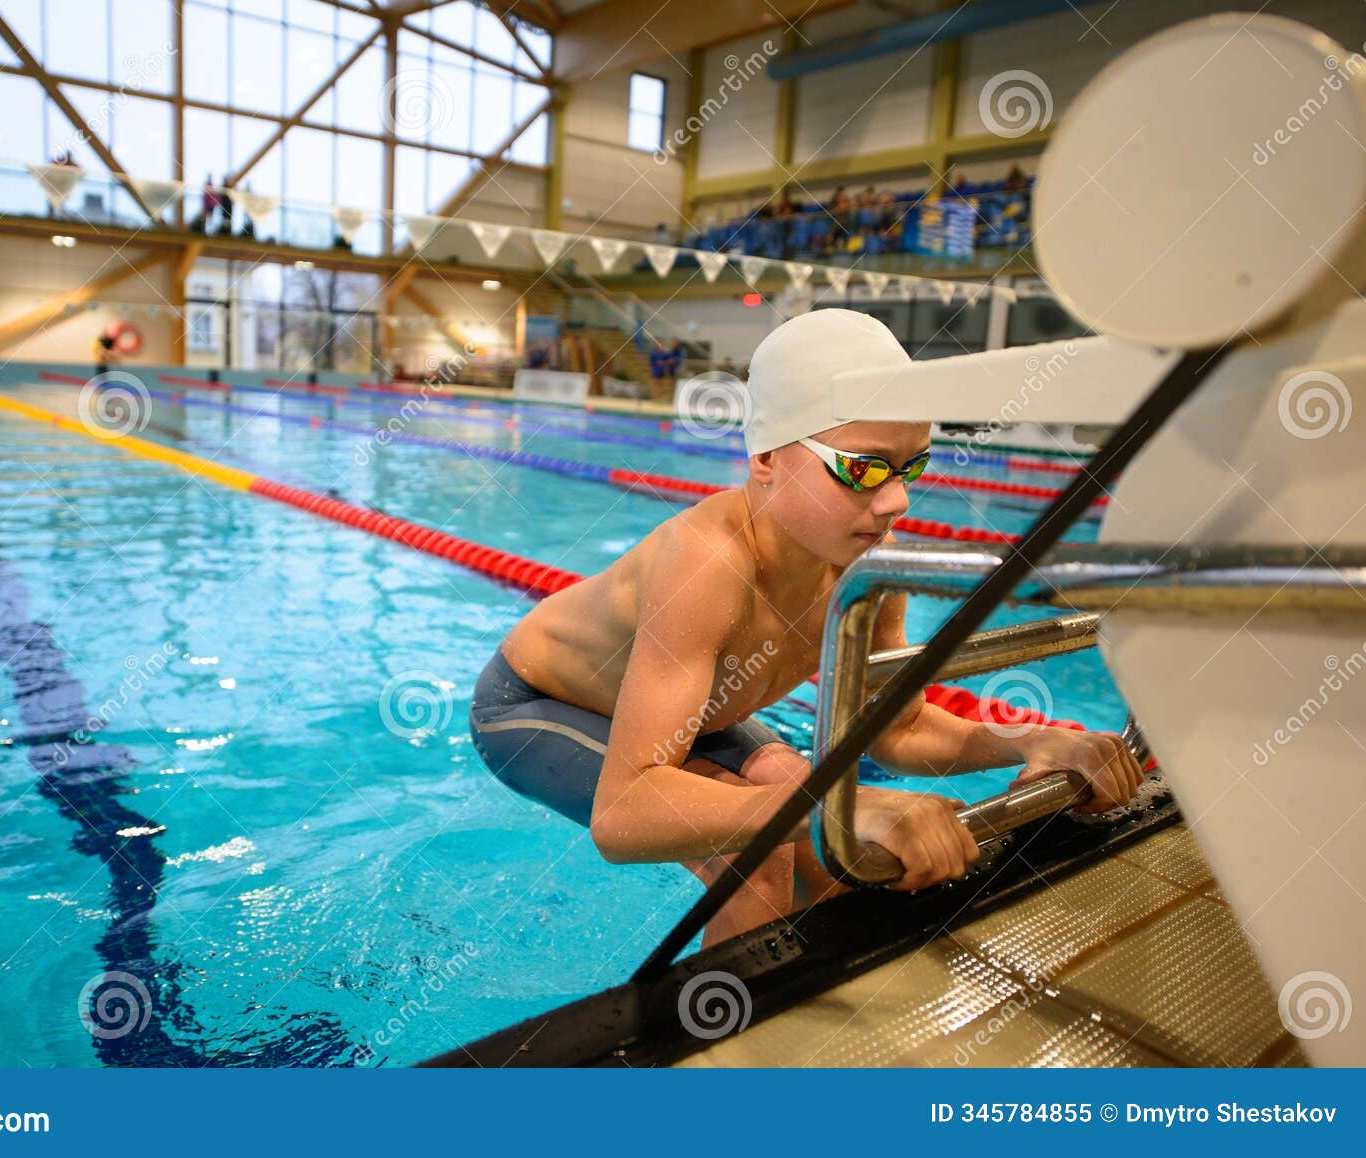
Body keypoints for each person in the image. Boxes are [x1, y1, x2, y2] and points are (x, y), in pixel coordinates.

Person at [468, 309, 1144, 946]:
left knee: (828, 856)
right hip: (535, 704)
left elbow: (899, 730)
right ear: (765, 458)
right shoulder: (707, 565)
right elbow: (623, 816)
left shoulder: (865, 568)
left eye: (911, 467)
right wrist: (833, 807)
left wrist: (1036, 741)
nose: (896, 500)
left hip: (696, 716)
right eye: (862, 469)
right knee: (759, 858)